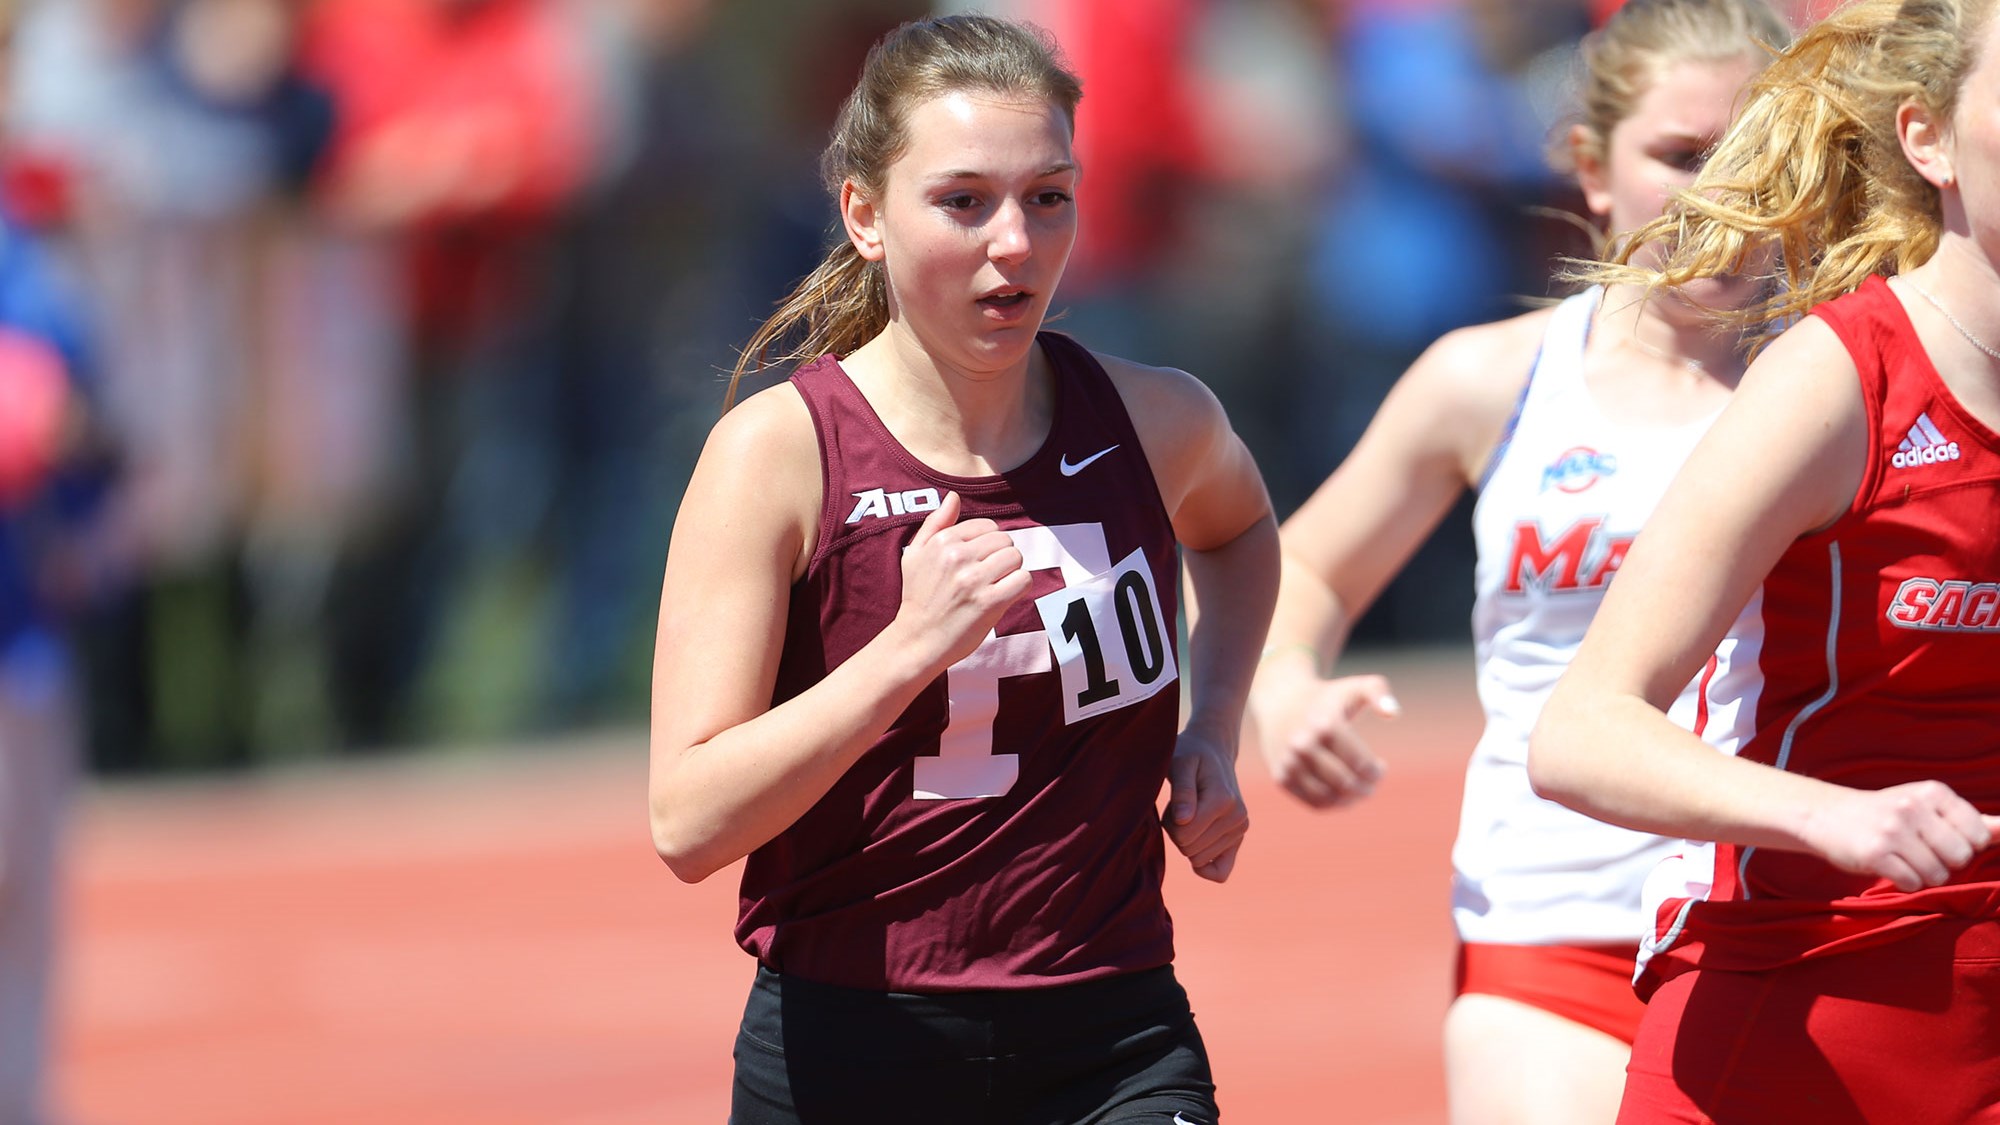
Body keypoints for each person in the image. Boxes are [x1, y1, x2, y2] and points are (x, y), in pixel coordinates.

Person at [647, 14, 1277, 1124]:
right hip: (852, 1051)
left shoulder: (1153, 419)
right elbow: (689, 821)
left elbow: (1235, 532)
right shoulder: (781, 455)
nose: (1015, 245)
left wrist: (1211, 728)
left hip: (1114, 1040)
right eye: (962, 201)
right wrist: (903, 650)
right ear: (862, 215)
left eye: (1047, 197)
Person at [1244, 2, 1789, 1121]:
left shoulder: (1848, 380)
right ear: (1591, 168)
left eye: (1756, 155)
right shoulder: (1490, 381)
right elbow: (1305, 564)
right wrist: (1285, 686)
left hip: (1789, 928)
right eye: (1681, 156)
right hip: (1550, 931)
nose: (1722, 194)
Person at [1529, 1, 2000, 1121]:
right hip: (1804, 1026)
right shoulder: (1837, 381)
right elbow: (1580, 733)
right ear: (1926, 141)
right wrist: (1823, 813)